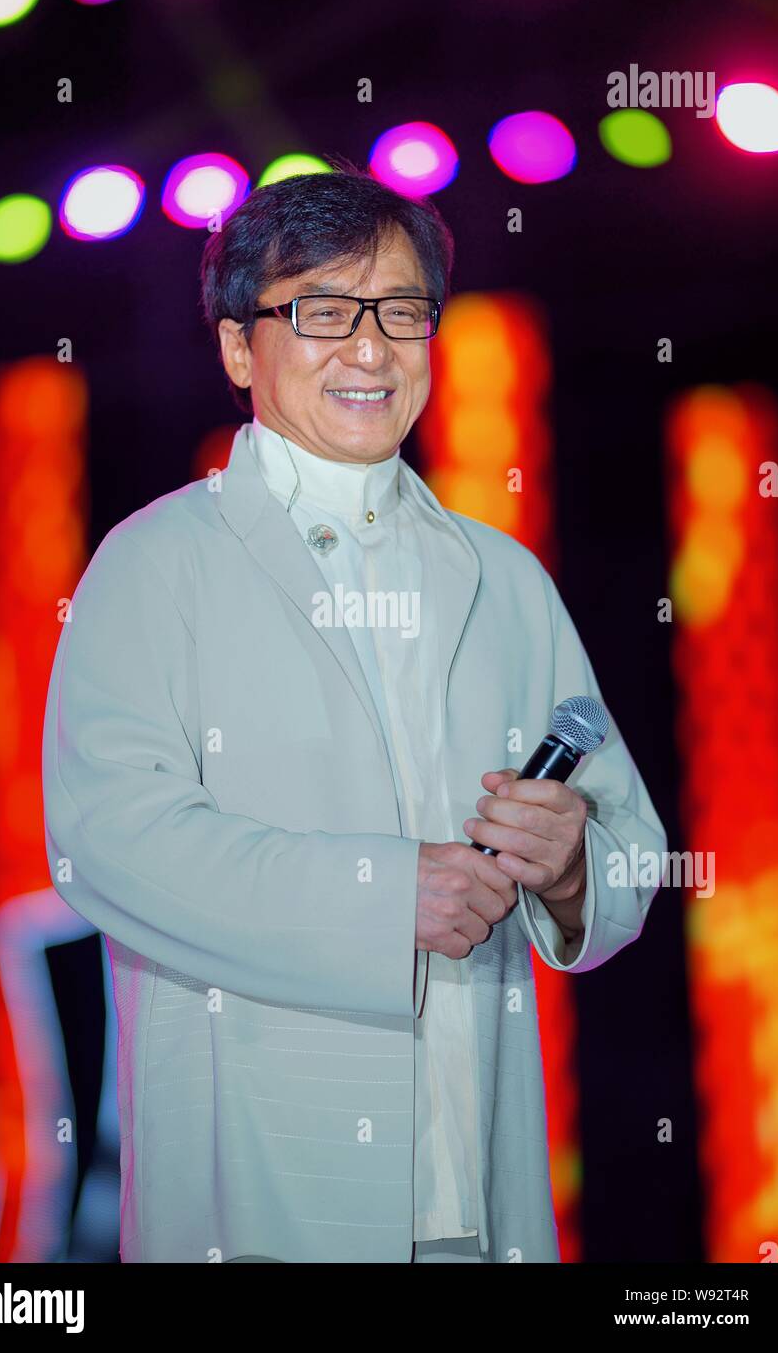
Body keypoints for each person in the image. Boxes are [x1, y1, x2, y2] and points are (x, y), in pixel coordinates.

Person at [41, 161, 666, 1264]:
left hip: (475, 1180)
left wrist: (570, 870)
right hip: (256, 1189)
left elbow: (622, 849)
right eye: (320, 313)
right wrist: (386, 896)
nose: (369, 348)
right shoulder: (154, 562)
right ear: (240, 348)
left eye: (400, 312)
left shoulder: (501, 576)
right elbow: (108, 845)